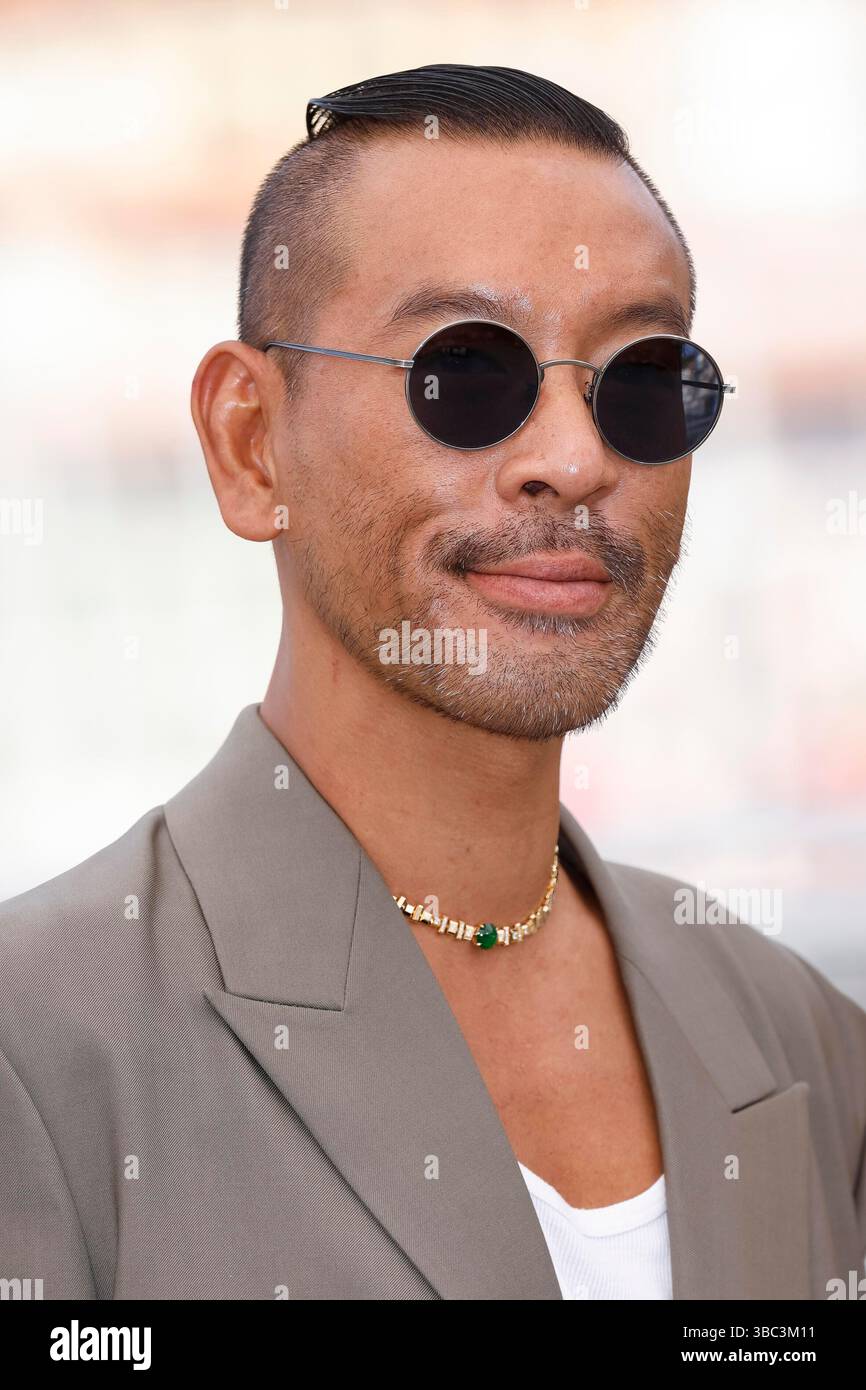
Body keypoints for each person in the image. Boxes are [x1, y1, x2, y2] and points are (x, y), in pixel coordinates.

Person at [1, 64, 864, 1302]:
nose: (571, 459)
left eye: (637, 379)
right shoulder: (42, 1049)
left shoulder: (795, 1035)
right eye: (465, 374)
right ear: (251, 442)